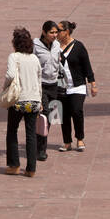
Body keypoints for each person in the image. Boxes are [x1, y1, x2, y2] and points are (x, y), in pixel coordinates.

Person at [3, 27, 42, 177]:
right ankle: (31, 168)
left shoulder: (14, 56)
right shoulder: (34, 58)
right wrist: (39, 99)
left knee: (12, 131)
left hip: (19, 101)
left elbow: (10, 74)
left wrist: (5, 87)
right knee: (31, 134)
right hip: (33, 101)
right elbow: (39, 80)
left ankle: (14, 165)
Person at [55, 21, 96, 152]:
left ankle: (80, 138)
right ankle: (67, 142)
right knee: (64, 115)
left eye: (59, 30)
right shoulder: (54, 47)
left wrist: (92, 84)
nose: (56, 33)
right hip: (61, 87)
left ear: (66, 32)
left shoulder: (79, 46)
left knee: (77, 111)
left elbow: (87, 66)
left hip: (77, 86)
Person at [33, 21, 63, 162]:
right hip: (41, 85)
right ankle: (41, 150)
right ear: (44, 32)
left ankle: (38, 142)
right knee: (44, 116)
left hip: (54, 85)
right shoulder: (36, 45)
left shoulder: (57, 45)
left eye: (56, 32)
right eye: (51, 32)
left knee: (51, 117)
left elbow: (59, 61)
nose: (54, 35)